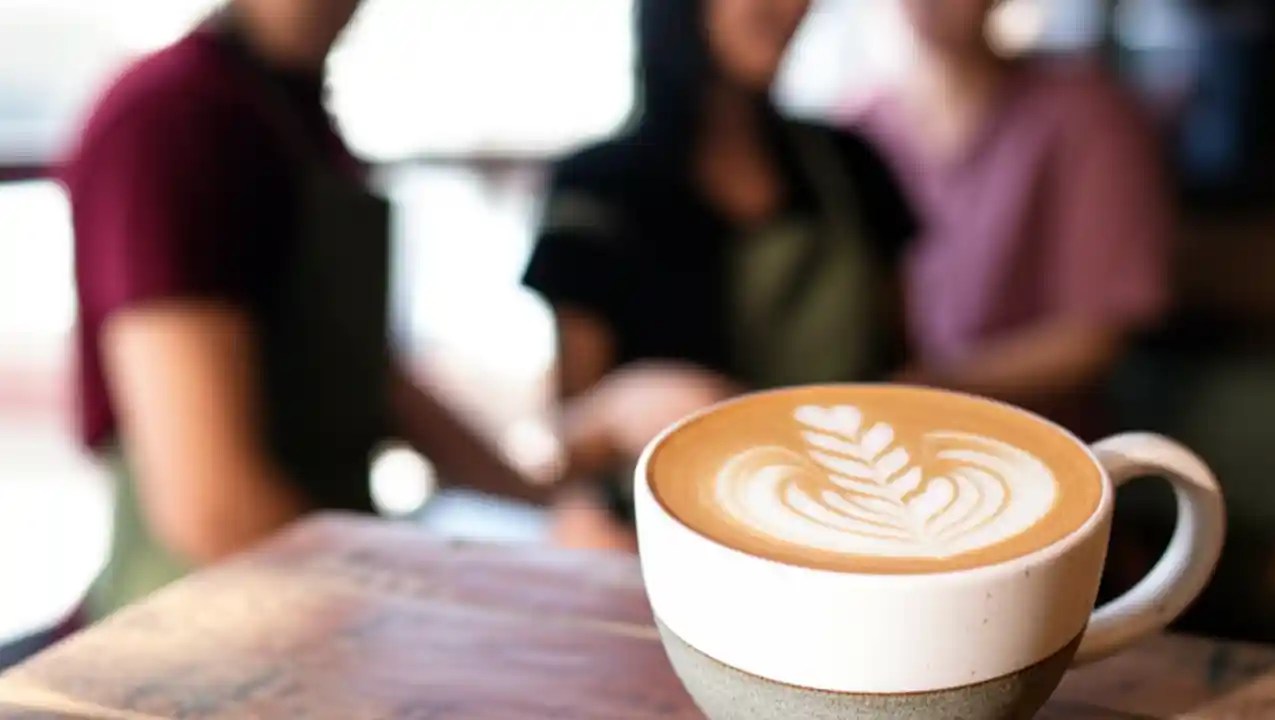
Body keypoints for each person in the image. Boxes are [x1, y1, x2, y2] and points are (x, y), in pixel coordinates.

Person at [63, 0, 546, 619]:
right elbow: (214, 508)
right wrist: (456, 603)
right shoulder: (170, 117)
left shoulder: (297, 114)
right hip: (208, 622)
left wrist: (547, 507)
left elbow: (372, 377)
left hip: (325, 586)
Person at [523, 0, 917, 549]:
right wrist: (619, 408)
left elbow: (908, 375)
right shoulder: (595, 188)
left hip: (847, 533)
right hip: (660, 540)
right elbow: (564, 442)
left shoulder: (854, 168)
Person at [850, 0, 1175, 435]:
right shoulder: (853, 132)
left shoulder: (1085, 116)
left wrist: (925, 386)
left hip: (1044, 447)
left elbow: (1096, 334)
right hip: (889, 439)